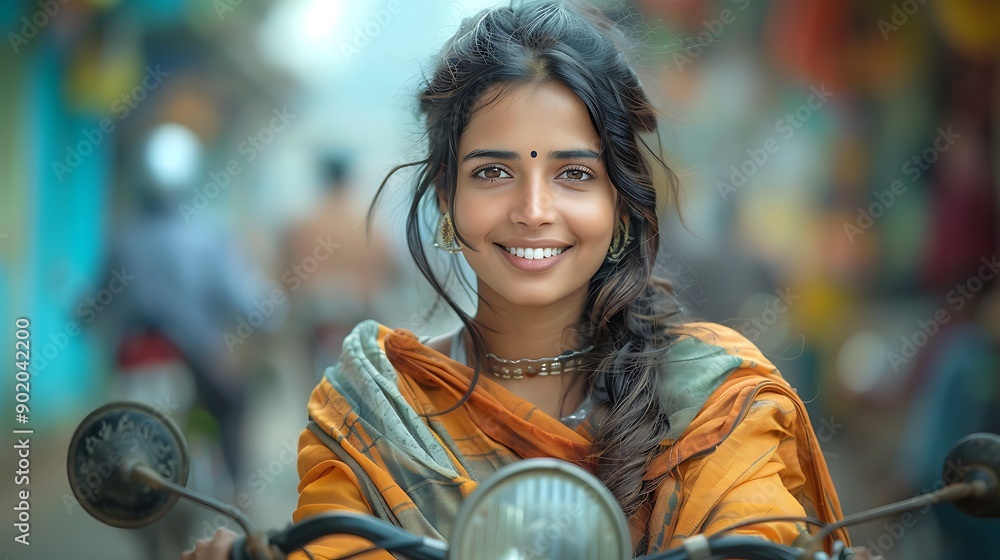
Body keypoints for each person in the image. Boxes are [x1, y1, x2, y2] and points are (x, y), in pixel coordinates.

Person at [182, 2, 856, 558]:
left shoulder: (715, 403)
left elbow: (759, 532)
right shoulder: (369, 415)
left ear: (619, 205)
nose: (534, 211)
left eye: (574, 174)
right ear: (446, 202)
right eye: (493, 172)